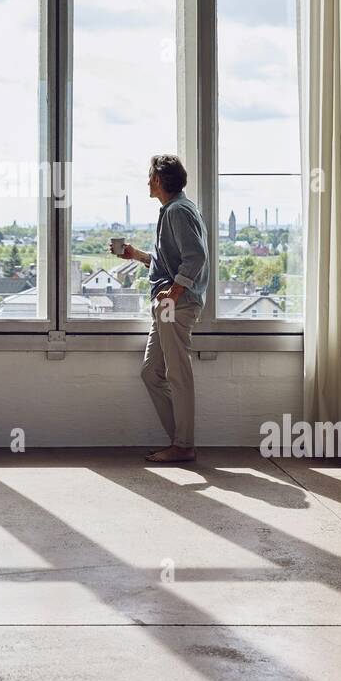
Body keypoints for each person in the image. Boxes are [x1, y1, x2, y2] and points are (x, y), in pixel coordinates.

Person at [111, 154, 210, 464]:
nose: (147, 181)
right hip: (168, 302)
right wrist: (136, 255)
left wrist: (174, 292)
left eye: (150, 176)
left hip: (174, 305)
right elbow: (168, 261)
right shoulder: (174, 209)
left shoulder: (178, 211)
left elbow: (195, 257)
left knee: (177, 373)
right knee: (151, 373)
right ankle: (181, 441)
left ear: (158, 180)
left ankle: (184, 445)